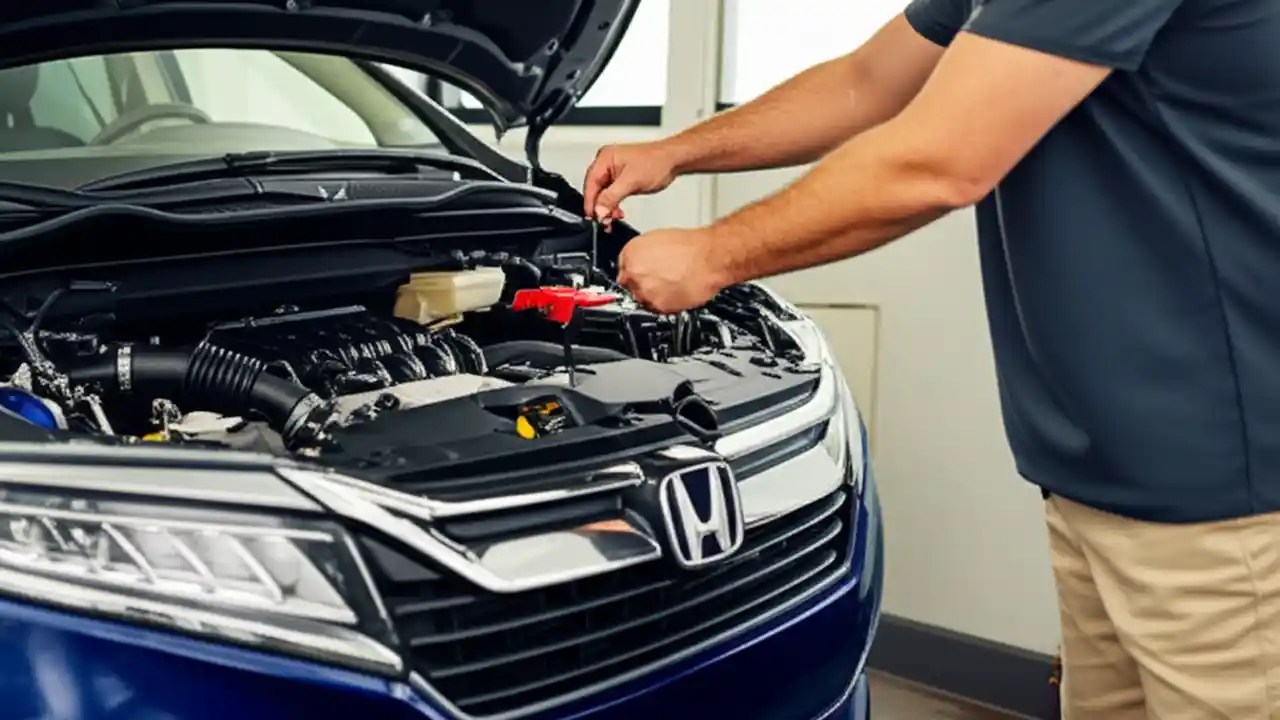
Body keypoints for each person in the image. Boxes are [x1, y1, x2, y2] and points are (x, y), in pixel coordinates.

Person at [583, 2, 1280, 718]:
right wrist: (676, 151)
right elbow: (870, 81)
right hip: (1100, 484)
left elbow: (941, 161)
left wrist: (712, 255)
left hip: (1224, 500)